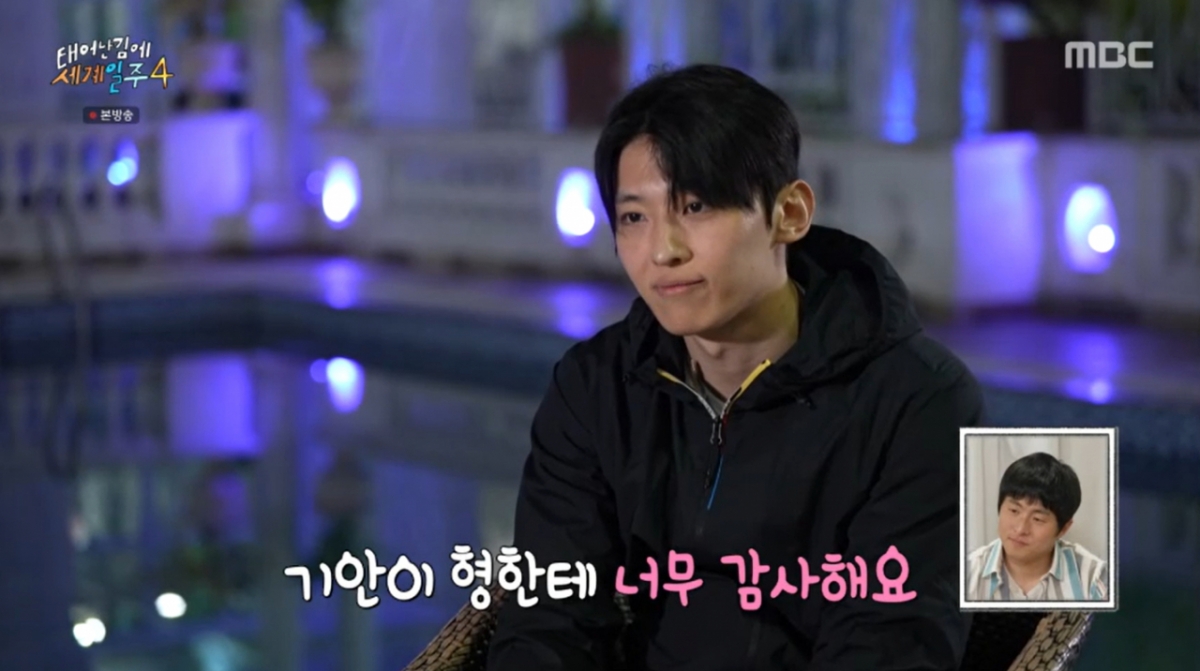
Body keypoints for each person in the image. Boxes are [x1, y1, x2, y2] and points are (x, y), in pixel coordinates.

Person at [487, 64, 985, 670]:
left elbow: (891, 646)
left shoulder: (920, 402)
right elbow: (549, 619)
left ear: (789, 213)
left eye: (695, 207)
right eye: (635, 217)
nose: (663, 251)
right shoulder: (595, 387)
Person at [966, 452, 1108, 601]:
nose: (1020, 529)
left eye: (1037, 519)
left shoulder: (1093, 579)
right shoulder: (966, 574)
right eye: (1014, 510)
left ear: (1064, 528)